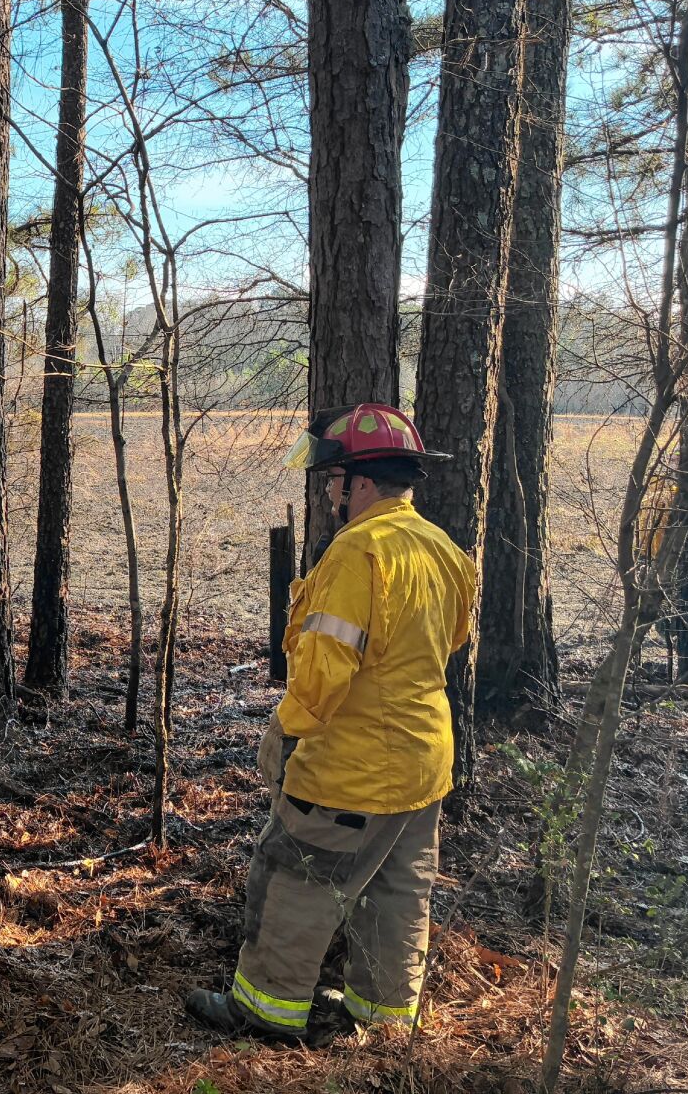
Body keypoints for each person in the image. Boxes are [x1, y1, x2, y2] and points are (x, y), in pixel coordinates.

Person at [186, 403, 476, 1042]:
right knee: (398, 892)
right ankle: (382, 1016)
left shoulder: (357, 554)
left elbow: (323, 672)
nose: (328, 493)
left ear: (361, 483)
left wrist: (285, 729)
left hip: (349, 766)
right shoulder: (443, 549)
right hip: (424, 762)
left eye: (333, 481)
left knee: (294, 876)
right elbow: (454, 639)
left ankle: (266, 1009)